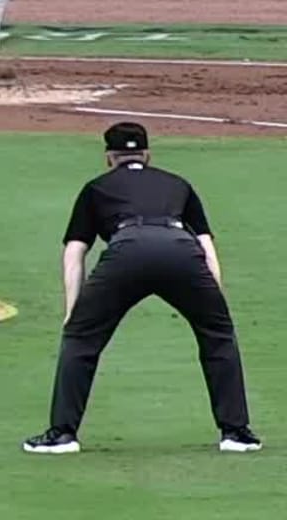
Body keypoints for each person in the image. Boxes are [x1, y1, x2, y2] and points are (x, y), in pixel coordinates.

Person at [23, 122, 261, 455]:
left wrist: (72, 312)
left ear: (109, 157)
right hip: (182, 251)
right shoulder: (179, 184)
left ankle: (63, 435)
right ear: (147, 154)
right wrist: (214, 304)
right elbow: (206, 246)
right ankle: (236, 434)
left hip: (127, 251)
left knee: (81, 339)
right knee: (218, 336)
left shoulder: (96, 188)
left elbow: (75, 251)